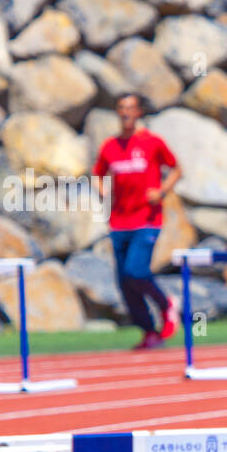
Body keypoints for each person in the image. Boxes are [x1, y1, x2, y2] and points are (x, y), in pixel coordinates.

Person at [92, 92, 182, 349]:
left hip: (146, 218)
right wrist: (101, 189)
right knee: (124, 282)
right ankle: (149, 332)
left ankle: (166, 305)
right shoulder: (110, 146)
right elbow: (97, 173)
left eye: (130, 108)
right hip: (119, 222)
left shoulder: (152, 142)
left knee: (136, 271)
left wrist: (162, 191)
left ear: (139, 112)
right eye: (121, 108)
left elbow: (176, 168)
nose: (125, 113)